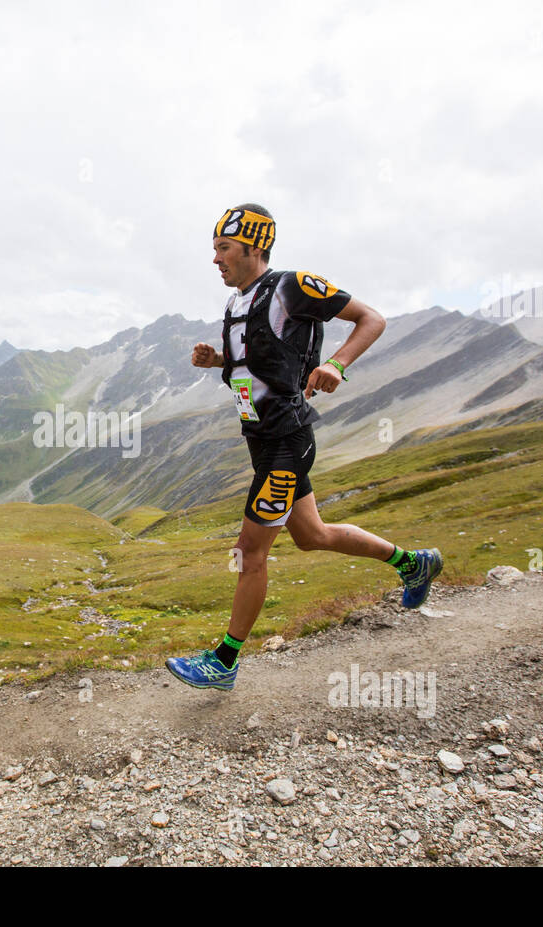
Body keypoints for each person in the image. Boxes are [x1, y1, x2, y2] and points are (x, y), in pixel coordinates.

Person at [165, 203, 442, 692]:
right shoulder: (236, 302)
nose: (215, 260)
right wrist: (217, 361)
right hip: (260, 439)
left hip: (286, 442)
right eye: (213, 250)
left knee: (250, 552)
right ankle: (413, 562)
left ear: (254, 247)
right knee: (312, 535)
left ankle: (224, 662)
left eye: (223, 248)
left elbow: (371, 319)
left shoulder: (295, 285)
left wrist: (337, 364)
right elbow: (263, 358)